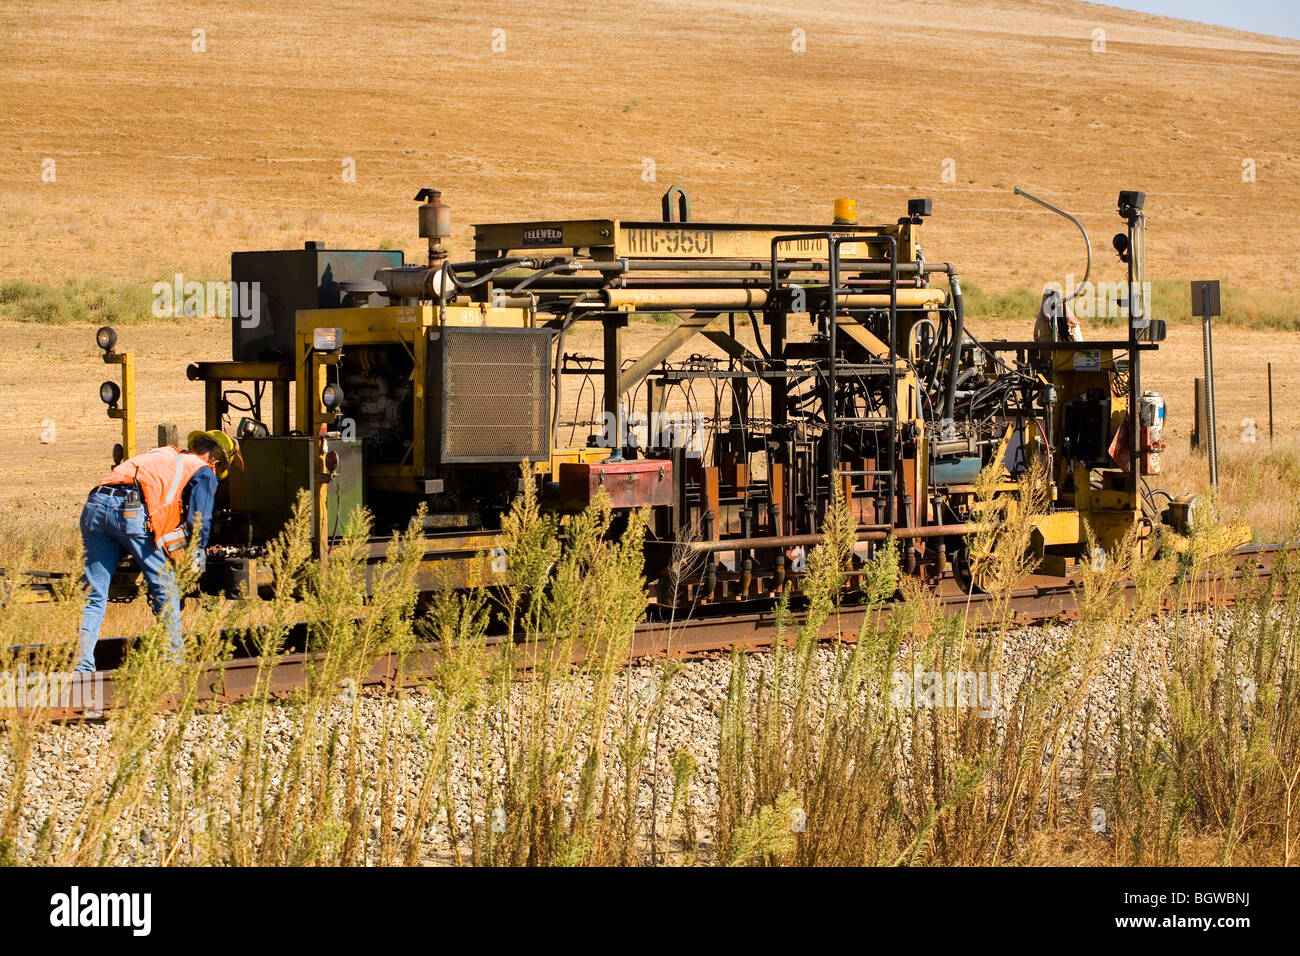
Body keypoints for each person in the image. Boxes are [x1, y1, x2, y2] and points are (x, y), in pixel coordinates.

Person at [74, 430, 243, 673]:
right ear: (216, 460)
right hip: (129, 510)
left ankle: (82, 668)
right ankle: (174, 664)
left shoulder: (164, 454)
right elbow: (198, 521)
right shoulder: (203, 470)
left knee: (94, 596)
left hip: (94, 507)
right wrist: (197, 559)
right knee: (166, 589)